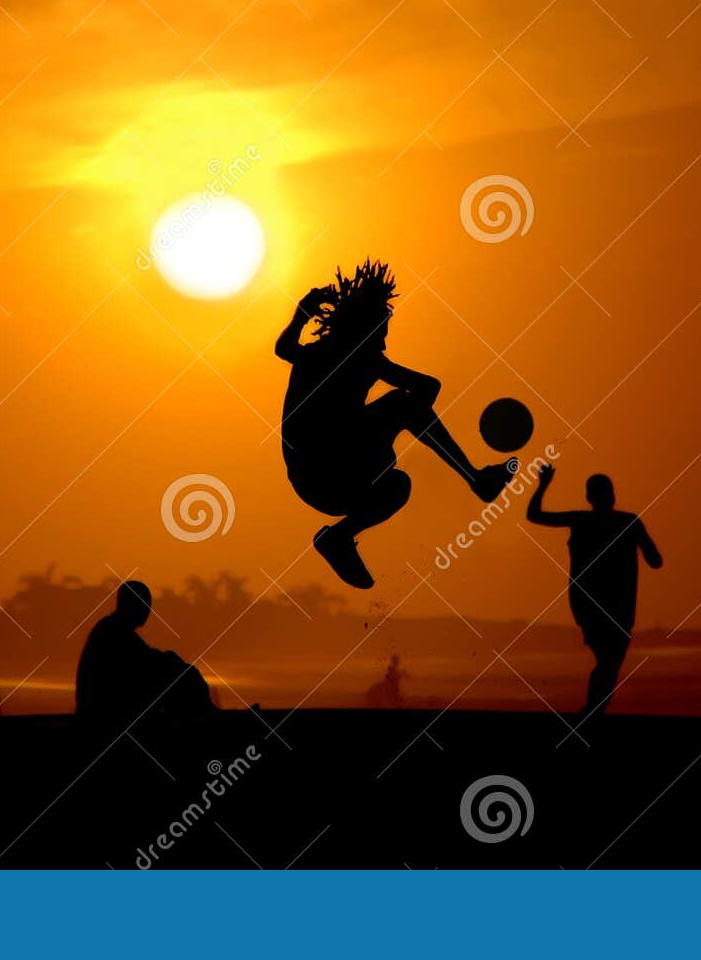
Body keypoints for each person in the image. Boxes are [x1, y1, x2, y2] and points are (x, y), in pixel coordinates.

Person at [275, 260, 516, 588]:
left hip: (321, 482)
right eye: (382, 334)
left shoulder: (323, 353)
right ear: (365, 330)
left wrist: (303, 313)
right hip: (325, 472)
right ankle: (476, 479)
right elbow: (429, 387)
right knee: (402, 406)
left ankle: (340, 537)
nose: (385, 343)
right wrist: (397, 421)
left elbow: (284, 348)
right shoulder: (357, 358)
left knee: (397, 483)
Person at [526, 464, 662, 719]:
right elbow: (655, 561)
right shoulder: (626, 522)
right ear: (608, 497)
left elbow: (534, 515)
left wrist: (543, 485)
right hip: (596, 604)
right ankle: (591, 712)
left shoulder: (609, 521)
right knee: (609, 661)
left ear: (590, 498)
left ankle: (592, 712)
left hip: (608, 605)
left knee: (608, 662)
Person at [75, 581, 214, 732]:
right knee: (183, 675)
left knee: (180, 672)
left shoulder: (114, 629)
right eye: (144, 604)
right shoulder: (113, 632)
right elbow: (148, 664)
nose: (148, 610)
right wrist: (176, 664)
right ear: (129, 604)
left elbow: (149, 659)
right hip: (104, 716)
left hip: (103, 712)